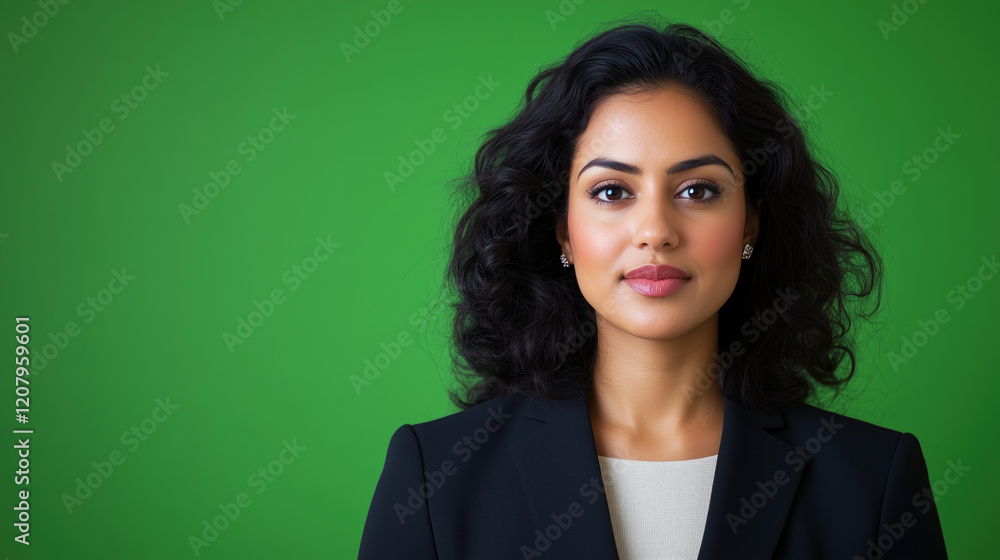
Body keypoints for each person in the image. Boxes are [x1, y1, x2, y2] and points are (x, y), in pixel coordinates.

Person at [358, 16, 948, 560]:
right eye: (612, 191)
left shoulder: (874, 481)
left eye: (698, 190)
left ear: (751, 224)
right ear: (563, 231)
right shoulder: (433, 478)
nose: (656, 231)